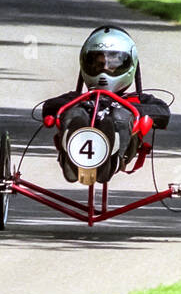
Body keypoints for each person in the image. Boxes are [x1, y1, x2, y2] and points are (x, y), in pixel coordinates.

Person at [43, 27, 168, 184]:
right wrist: (77, 106)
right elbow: (49, 107)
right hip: (79, 144)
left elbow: (163, 113)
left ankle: (113, 161)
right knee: (75, 114)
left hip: (124, 144)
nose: (104, 71)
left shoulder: (137, 100)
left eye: (112, 64)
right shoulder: (76, 99)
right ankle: (70, 161)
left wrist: (131, 109)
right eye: (98, 64)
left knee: (119, 116)